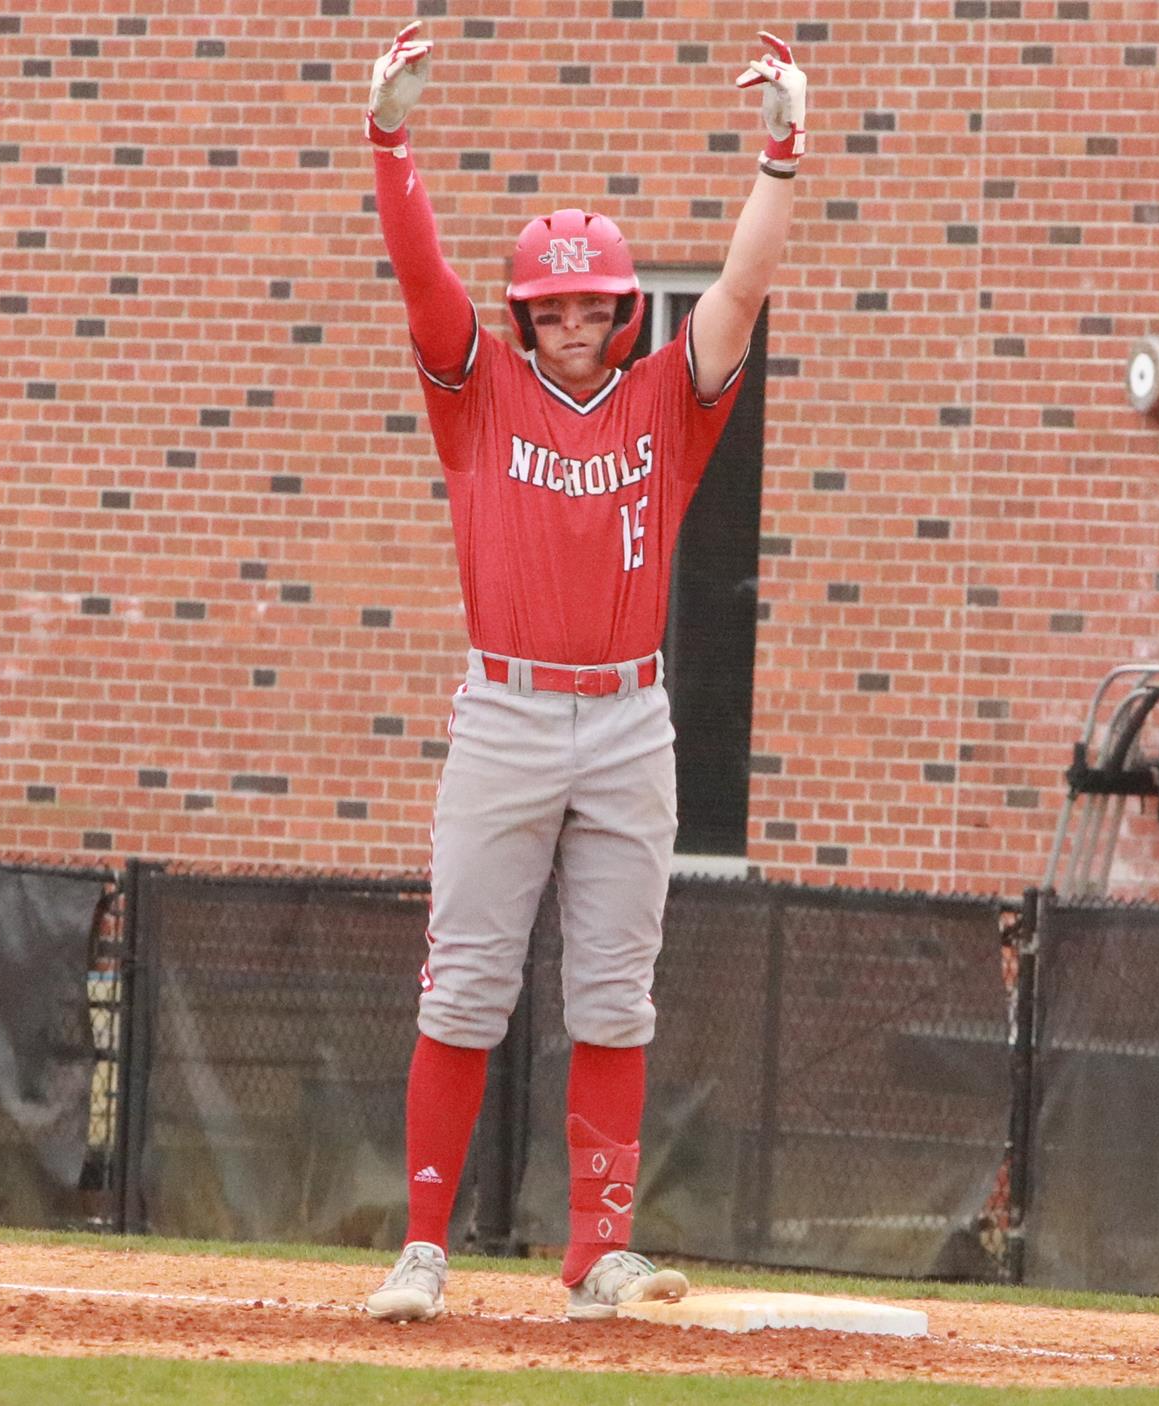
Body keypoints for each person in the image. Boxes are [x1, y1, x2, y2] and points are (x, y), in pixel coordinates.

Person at [353, 23, 804, 1323]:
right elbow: (422, 275)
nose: (570, 320)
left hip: (627, 718)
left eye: (592, 302)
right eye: (551, 304)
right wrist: (392, 144)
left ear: (621, 310)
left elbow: (740, 290)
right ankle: (425, 1247)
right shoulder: (477, 387)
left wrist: (781, 154)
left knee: (614, 986)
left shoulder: (670, 397)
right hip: (503, 707)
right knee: (470, 980)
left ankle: (596, 1248)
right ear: (525, 314)